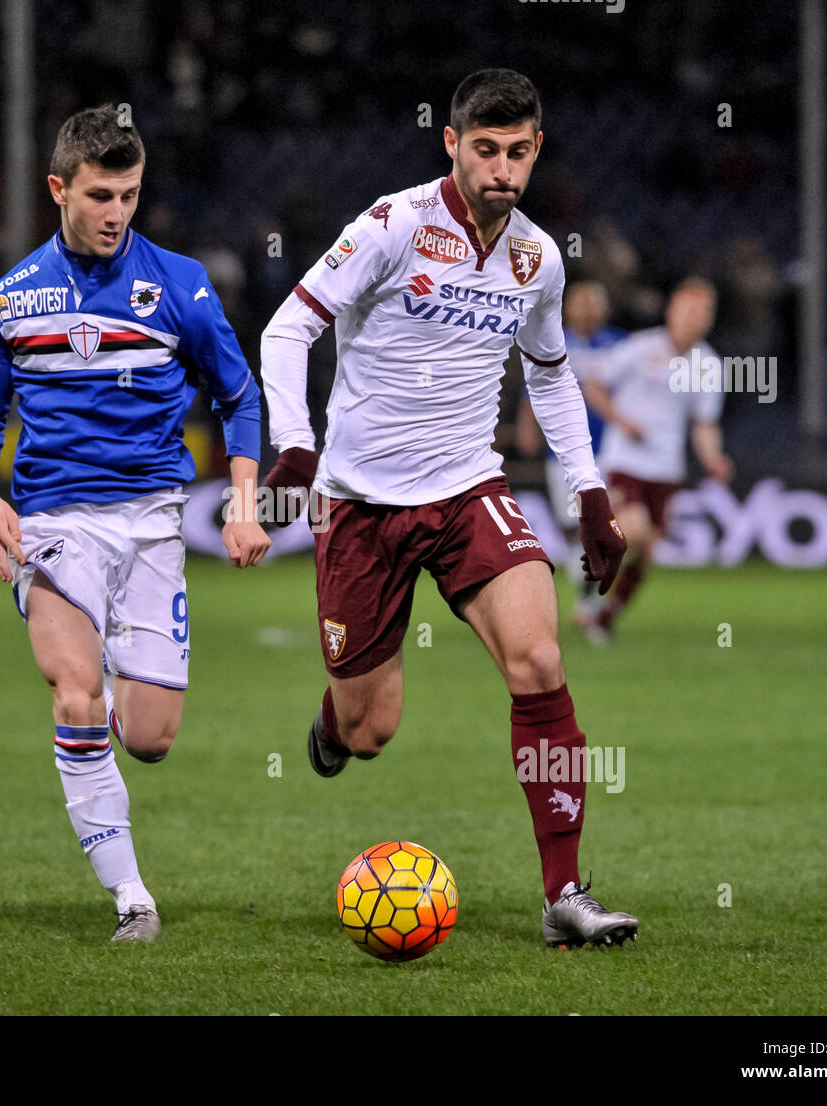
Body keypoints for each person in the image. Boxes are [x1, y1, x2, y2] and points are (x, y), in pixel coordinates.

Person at [260, 69, 638, 948]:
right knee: (371, 728)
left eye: (518, 151)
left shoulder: (538, 259)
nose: (502, 168)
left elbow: (549, 372)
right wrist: (294, 442)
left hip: (470, 488)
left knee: (540, 658)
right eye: (485, 149)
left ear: (536, 149)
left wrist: (588, 492)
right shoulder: (393, 227)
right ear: (452, 145)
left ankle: (565, 894)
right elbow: (289, 327)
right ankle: (333, 718)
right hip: (358, 503)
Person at [0, 106, 269, 942]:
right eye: (100, 195)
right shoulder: (16, 294)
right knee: (75, 690)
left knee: (150, 737)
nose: (116, 213)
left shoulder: (178, 283)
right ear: (59, 188)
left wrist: (242, 501)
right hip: (56, 521)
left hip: (154, 525)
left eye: (129, 195)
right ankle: (134, 898)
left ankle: (113, 695)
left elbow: (240, 398)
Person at [581, 278, 734, 641]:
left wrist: (713, 457)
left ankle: (605, 616)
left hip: (666, 470)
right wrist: (621, 420)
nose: (693, 319)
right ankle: (590, 587)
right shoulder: (640, 347)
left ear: (709, 320)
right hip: (626, 462)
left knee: (646, 555)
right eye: (687, 310)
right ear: (671, 311)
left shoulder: (708, 364)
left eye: (701, 313)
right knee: (633, 532)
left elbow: (704, 424)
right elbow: (593, 384)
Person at [515, 280, 625, 624]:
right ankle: (586, 591)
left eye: (594, 303)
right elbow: (533, 387)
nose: (587, 309)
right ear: (567, 307)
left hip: (614, 451)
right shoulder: (552, 338)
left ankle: (589, 597)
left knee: (604, 520)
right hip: (561, 453)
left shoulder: (621, 345)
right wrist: (527, 429)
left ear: (605, 309)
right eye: (580, 302)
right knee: (570, 524)